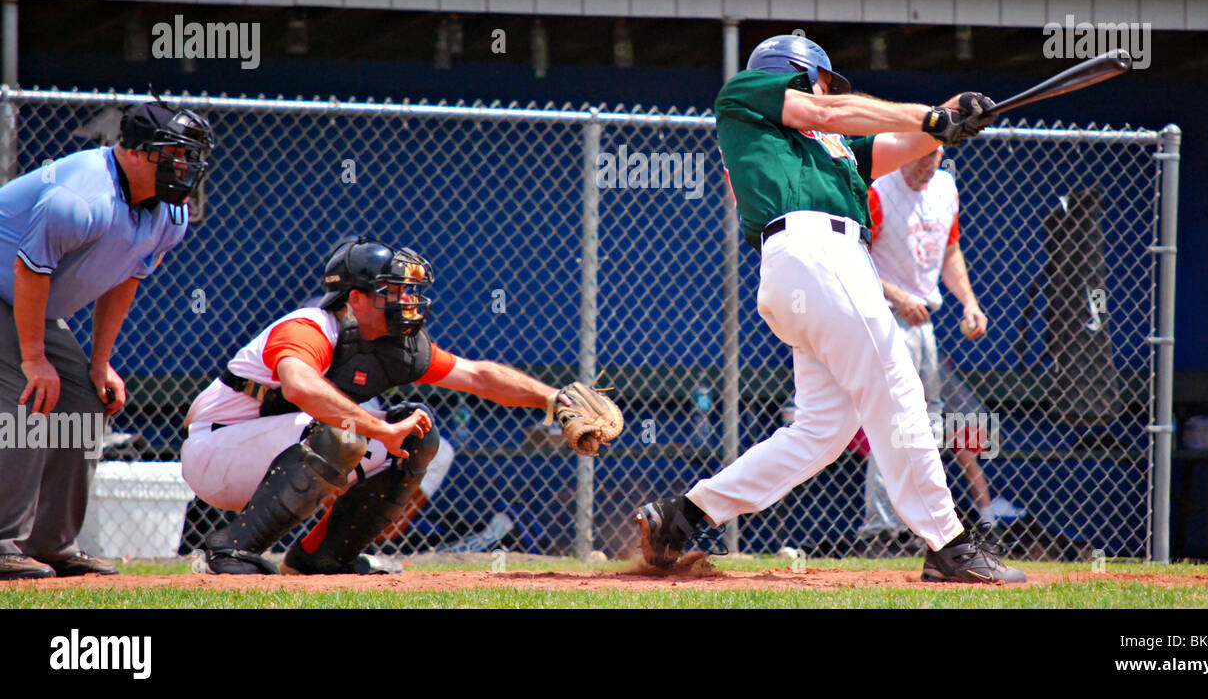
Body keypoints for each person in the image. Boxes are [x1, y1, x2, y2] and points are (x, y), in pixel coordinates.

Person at [634, 34, 1026, 583]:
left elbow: (901, 142)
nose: (826, 89)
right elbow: (827, 109)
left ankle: (686, 514)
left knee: (822, 429)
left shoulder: (832, 150)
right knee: (897, 386)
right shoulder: (748, 96)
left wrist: (954, 115)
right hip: (814, 254)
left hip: (824, 272)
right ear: (793, 71)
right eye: (820, 77)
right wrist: (931, 115)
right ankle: (948, 543)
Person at [182, 234, 594, 575]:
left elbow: (477, 375)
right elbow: (300, 388)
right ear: (355, 299)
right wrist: (378, 428)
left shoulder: (395, 345)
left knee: (418, 433)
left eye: (407, 291)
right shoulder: (311, 326)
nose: (404, 300)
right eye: (391, 292)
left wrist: (552, 399)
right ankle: (231, 550)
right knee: (344, 433)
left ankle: (324, 557)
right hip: (217, 451)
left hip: (274, 451)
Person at [0, 101, 214, 580]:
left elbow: (124, 278)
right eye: (172, 154)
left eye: (188, 155)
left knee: (82, 401)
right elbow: (28, 273)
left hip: (32, 307)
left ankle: (51, 544)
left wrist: (99, 363)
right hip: (8, 294)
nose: (183, 166)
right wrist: (34, 360)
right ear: (133, 153)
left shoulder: (169, 215)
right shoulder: (78, 199)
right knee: (31, 399)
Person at [859, 144, 1024, 546]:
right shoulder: (880, 189)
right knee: (893, 419)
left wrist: (969, 302)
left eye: (933, 155)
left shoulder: (945, 188)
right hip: (882, 317)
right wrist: (898, 296)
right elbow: (852, 257)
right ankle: (882, 531)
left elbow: (949, 250)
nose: (926, 163)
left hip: (923, 323)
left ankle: (919, 526)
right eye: (918, 153)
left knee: (928, 421)